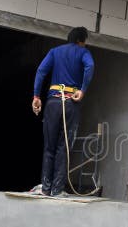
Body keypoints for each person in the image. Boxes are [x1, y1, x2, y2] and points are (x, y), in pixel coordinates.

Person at [31, 26, 94, 197]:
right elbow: (90, 67)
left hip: (53, 103)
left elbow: (41, 71)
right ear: (82, 41)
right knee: (63, 148)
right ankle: (57, 190)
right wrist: (82, 90)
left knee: (49, 148)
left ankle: (45, 188)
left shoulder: (54, 51)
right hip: (70, 104)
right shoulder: (83, 52)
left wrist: (36, 96)